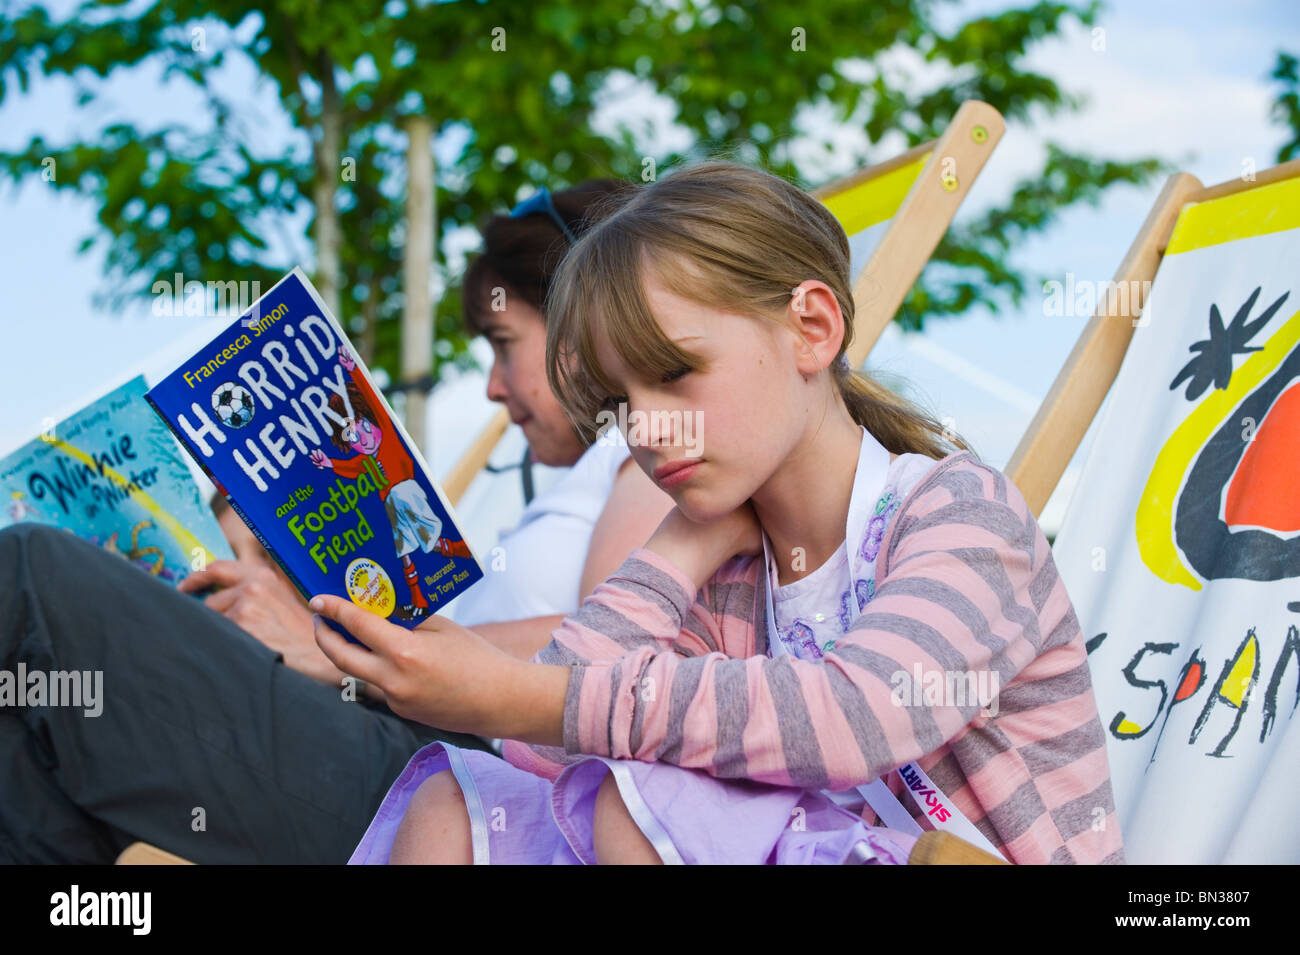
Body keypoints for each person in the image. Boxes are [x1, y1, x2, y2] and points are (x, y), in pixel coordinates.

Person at [321, 160, 1126, 866]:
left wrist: (517, 694)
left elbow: (857, 715)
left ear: (811, 328)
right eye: (617, 402)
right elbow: (538, 745)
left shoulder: (960, 514)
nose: (645, 428)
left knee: (649, 800)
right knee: (454, 805)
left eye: (673, 373)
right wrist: (679, 547)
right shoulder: (737, 579)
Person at [0, 178, 675, 864]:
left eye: (504, 342)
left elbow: (614, 656)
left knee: (31, 573)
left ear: (579, 320)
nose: (494, 387)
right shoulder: (571, 489)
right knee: (24, 727)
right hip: (402, 733)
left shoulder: (646, 452)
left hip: (462, 774)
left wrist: (338, 648)